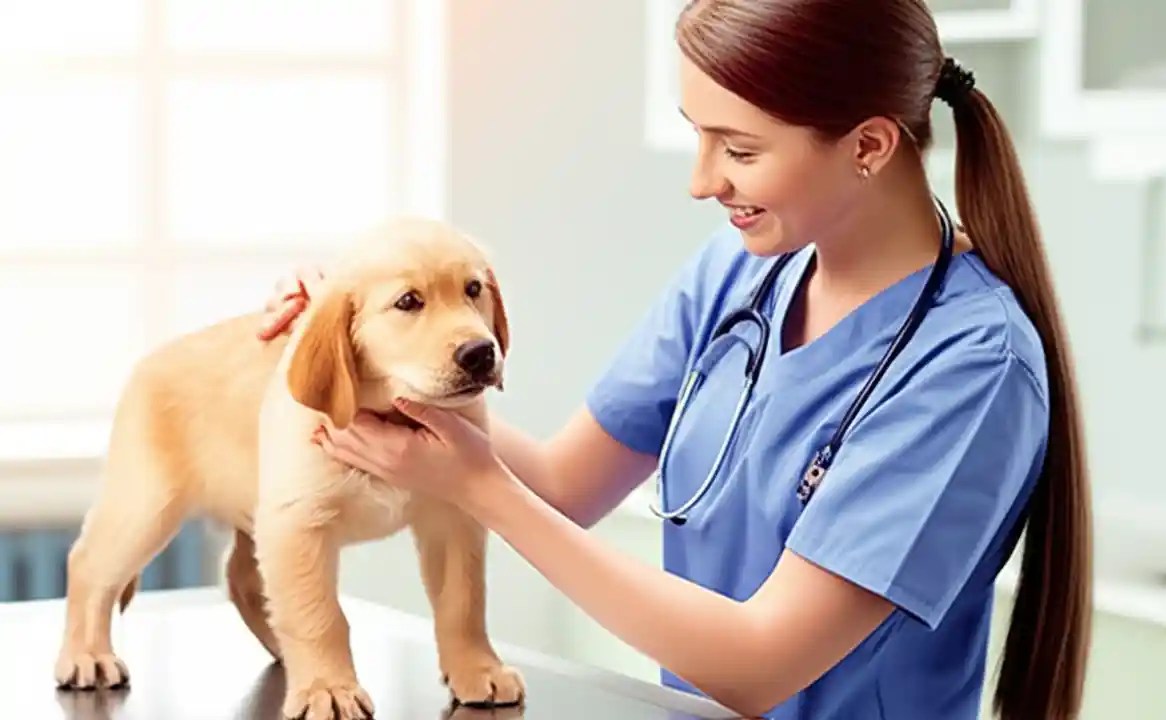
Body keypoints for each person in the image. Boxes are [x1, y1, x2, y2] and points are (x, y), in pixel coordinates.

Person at [258, 1, 1092, 718]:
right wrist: (358, 350)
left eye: (737, 149)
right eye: (699, 137)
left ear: (868, 145)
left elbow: (759, 666)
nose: (702, 181)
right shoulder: (741, 273)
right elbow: (563, 484)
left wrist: (477, 487)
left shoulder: (971, 364)